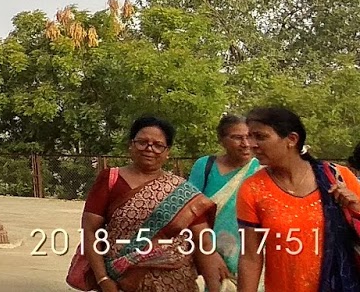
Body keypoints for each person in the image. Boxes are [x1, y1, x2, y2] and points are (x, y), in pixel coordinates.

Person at [79, 115, 228, 292]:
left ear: (167, 151)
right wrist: (103, 279)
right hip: (121, 282)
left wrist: (214, 283)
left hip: (176, 284)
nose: (149, 149)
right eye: (142, 142)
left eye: (158, 145)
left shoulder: (181, 191)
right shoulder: (110, 179)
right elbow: (90, 231)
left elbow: (202, 241)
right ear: (131, 145)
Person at [236, 106, 360, 292]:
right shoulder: (253, 189)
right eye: (250, 136)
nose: (251, 144)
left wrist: (356, 207)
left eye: (260, 137)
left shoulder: (338, 178)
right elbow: (250, 256)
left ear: (292, 139)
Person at [187, 114, 261, 275]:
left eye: (249, 137)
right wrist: (209, 252)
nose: (245, 144)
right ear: (222, 140)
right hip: (208, 254)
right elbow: (191, 212)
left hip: (252, 256)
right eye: (237, 138)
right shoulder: (205, 166)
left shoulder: (262, 170)